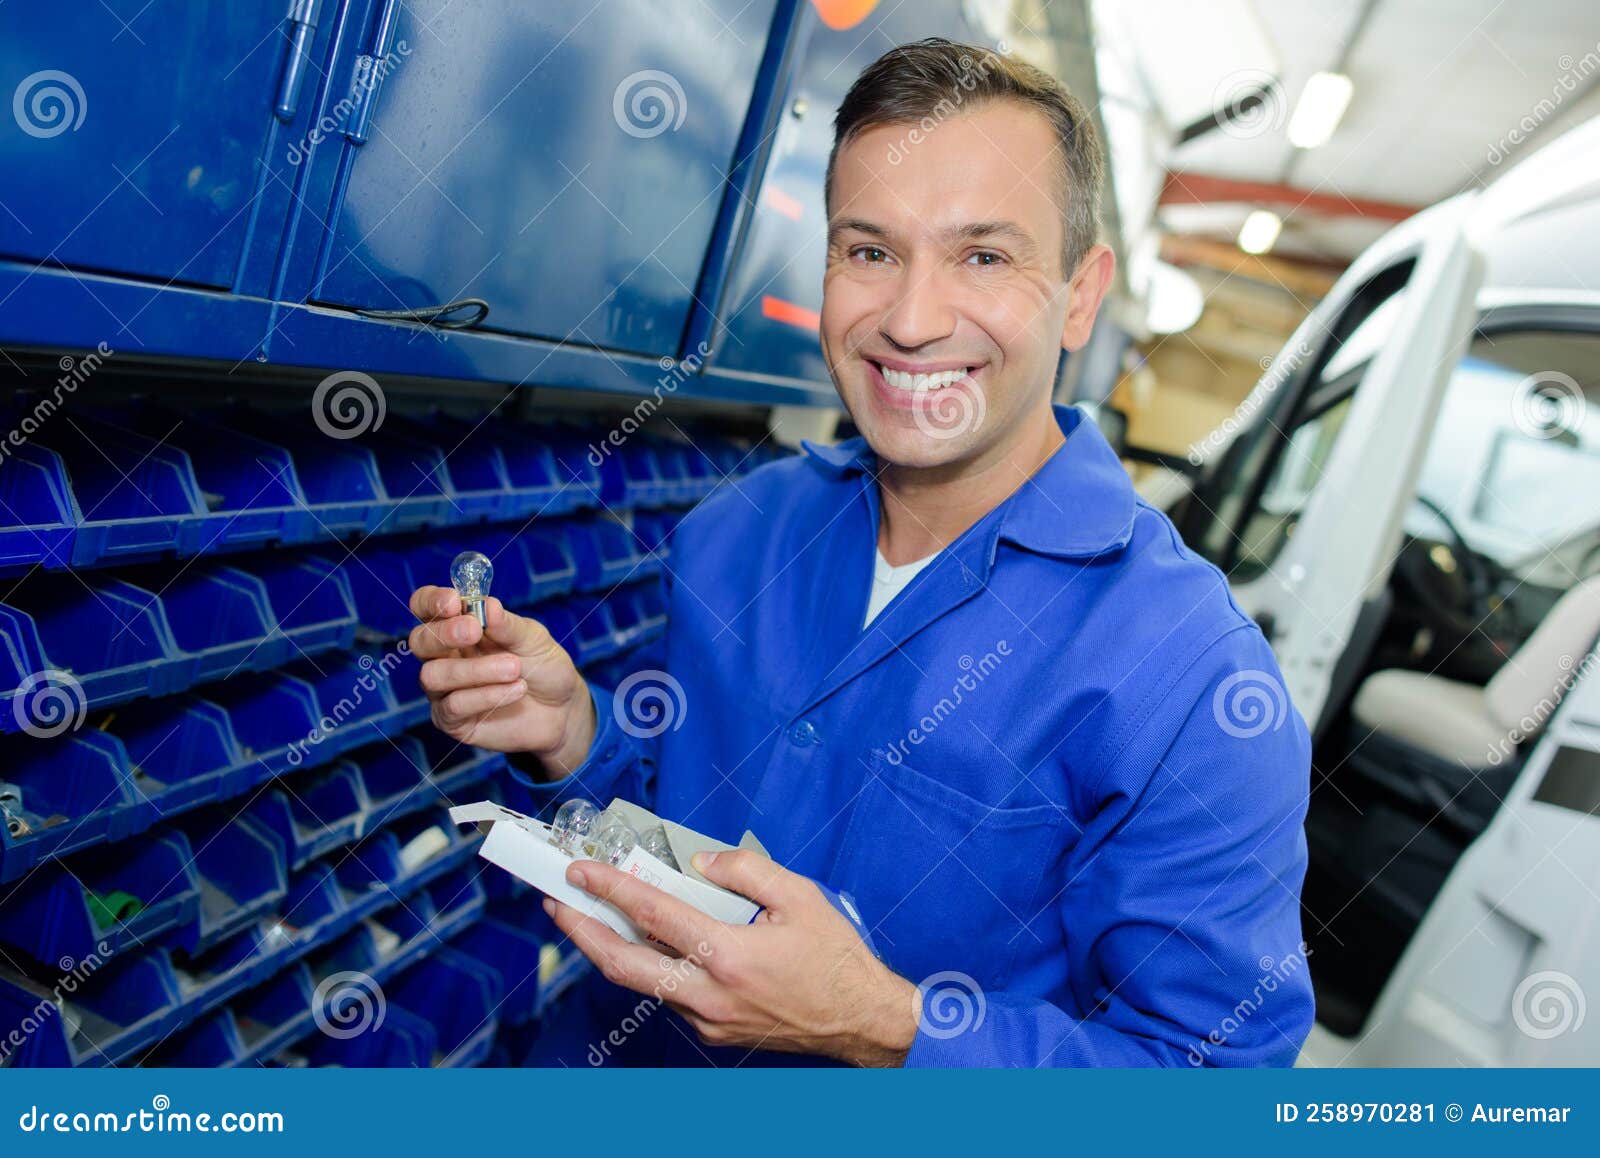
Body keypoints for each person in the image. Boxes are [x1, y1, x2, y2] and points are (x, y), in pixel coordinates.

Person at [407, 38, 1314, 1067]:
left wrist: (884, 1025)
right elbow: (688, 817)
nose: (911, 322)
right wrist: (574, 734)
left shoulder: (1192, 679)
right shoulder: (740, 529)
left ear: (1079, 293)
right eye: (870, 252)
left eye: (983, 256)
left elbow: (1209, 1080)